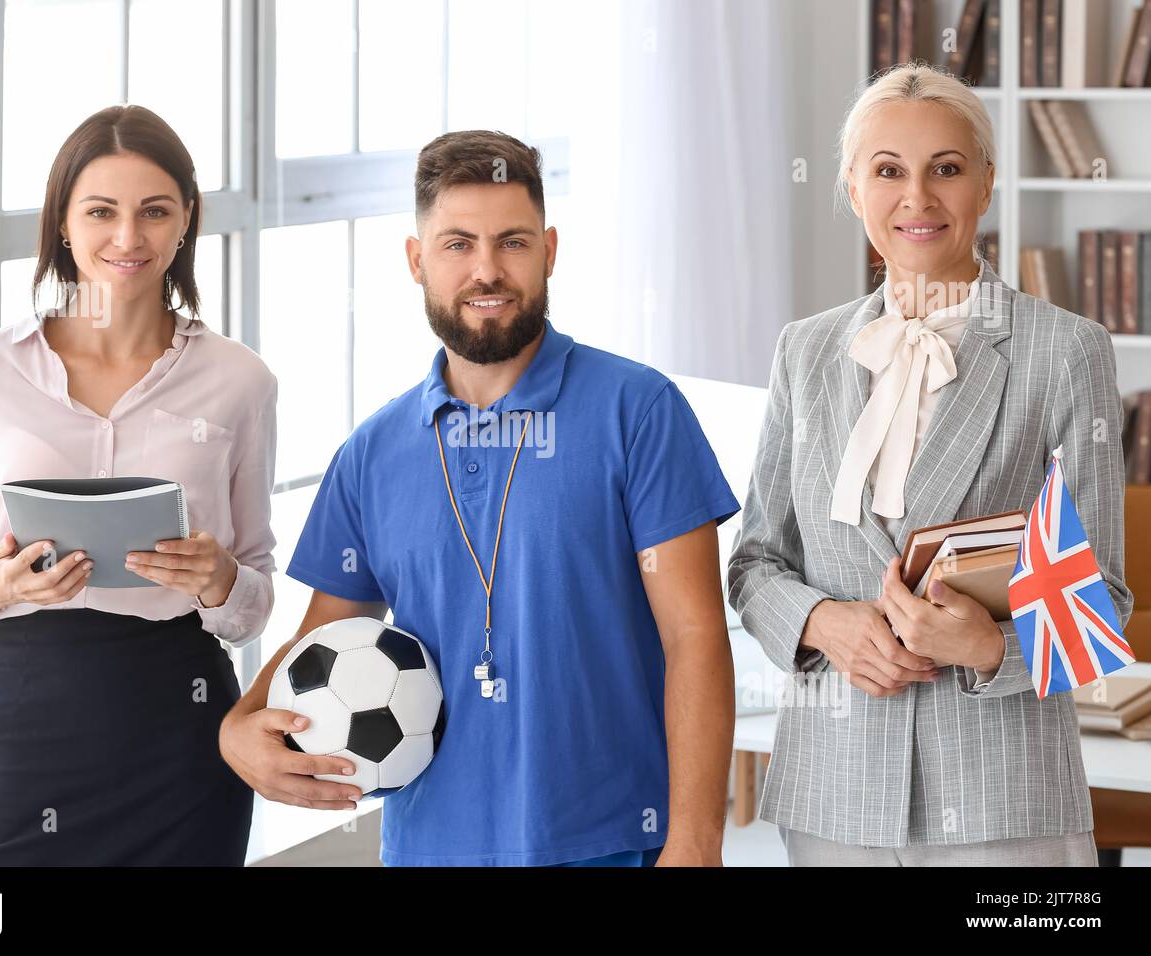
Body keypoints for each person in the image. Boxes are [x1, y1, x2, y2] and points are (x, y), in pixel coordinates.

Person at [220, 130, 740, 867]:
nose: (487, 270)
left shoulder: (640, 412)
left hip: (618, 840)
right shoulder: (371, 453)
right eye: (457, 243)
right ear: (416, 260)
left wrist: (694, 842)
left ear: (550, 250)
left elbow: (695, 639)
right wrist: (240, 722)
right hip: (431, 844)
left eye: (513, 242)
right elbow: (326, 635)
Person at [727, 63, 1132, 866]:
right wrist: (820, 623)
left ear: (985, 183)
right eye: (888, 171)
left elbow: (1104, 606)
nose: (918, 197)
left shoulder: (1066, 352)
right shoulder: (803, 351)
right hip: (833, 798)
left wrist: (987, 649)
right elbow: (754, 565)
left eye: (946, 168)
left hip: (1002, 800)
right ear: (851, 188)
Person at [0, 105, 277, 865]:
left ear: (185, 222)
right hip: (28, 711)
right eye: (101, 211)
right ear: (64, 223)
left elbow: (254, 600)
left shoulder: (240, 381)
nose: (129, 238)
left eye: (154, 211)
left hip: (183, 721)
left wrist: (219, 579)